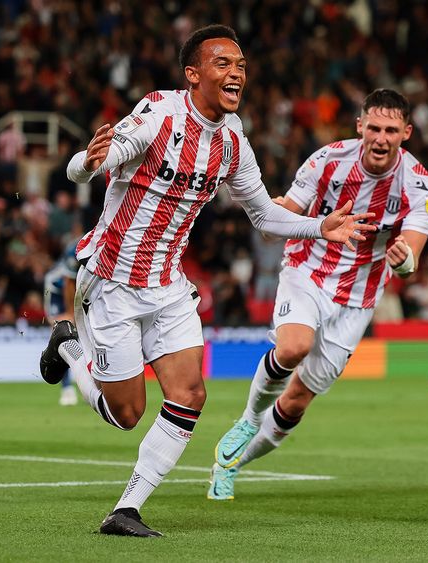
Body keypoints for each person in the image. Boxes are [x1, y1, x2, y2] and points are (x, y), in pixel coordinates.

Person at [37, 25, 375, 537]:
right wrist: (88, 162)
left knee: (190, 394)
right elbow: (80, 168)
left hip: (168, 285)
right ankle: (67, 348)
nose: (235, 71)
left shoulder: (233, 140)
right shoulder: (158, 114)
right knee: (126, 413)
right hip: (112, 280)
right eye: (222, 63)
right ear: (193, 75)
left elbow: (263, 214)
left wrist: (319, 226)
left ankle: (126, 510)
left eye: (240, 64)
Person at [207, 88, 428, 501]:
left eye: (390, 130)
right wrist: (275, 212)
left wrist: (403, 259)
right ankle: (247, 420)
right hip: (307, 273)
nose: (381, 138)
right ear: (360, 127)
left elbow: (410, 260)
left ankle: (230, 465)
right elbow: (285, 214)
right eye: (373, 128)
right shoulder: (327, 160)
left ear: (406, 132)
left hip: (358, 300)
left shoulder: (422, 187)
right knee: (295, 346)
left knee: (295, 403)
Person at [43, 239, 79, 406]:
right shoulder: (77, 249)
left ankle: (93, 385)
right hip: (57, 289)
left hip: (78, 289)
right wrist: (71, 313)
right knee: (62, 333)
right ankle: (66, 388)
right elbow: (67, 282)